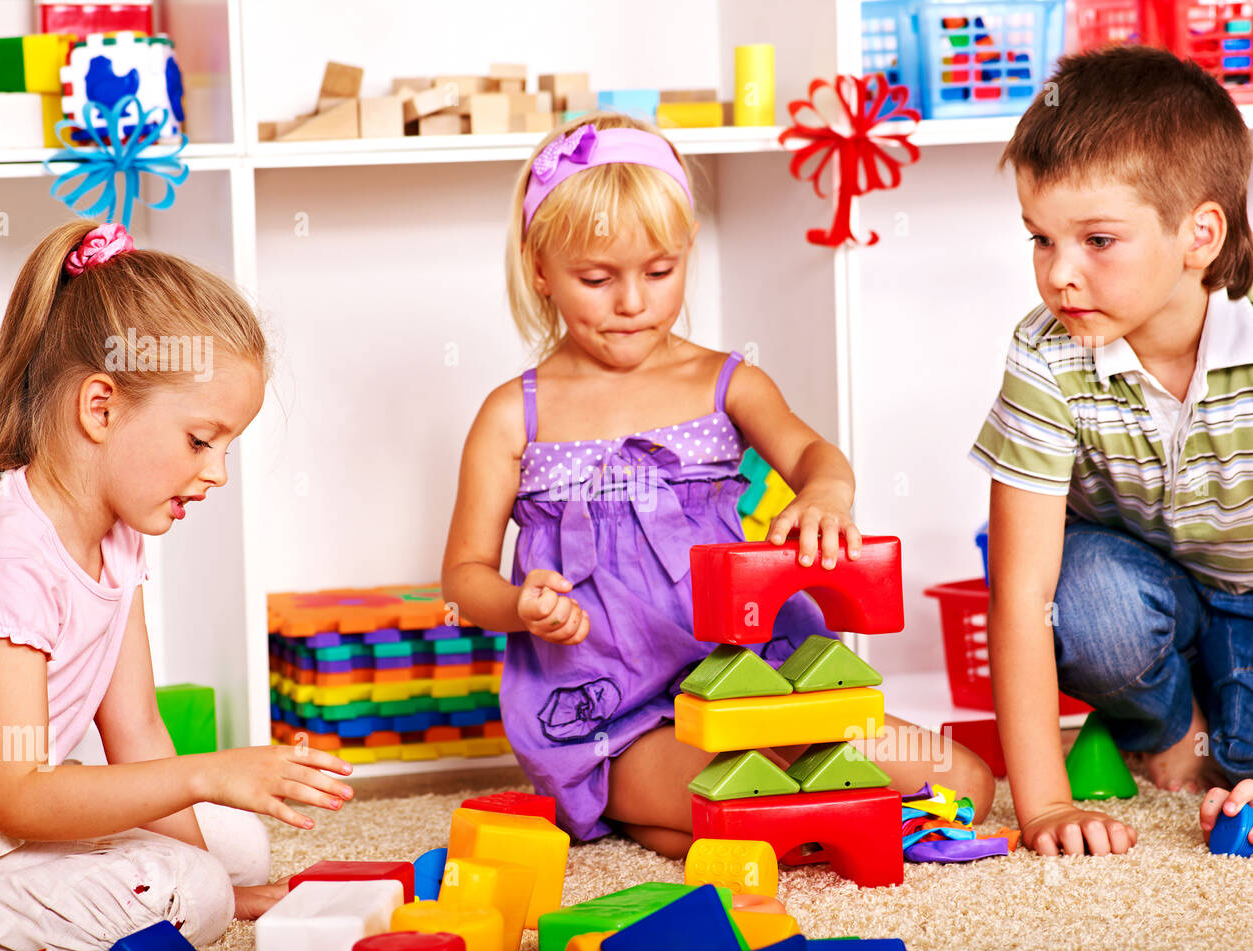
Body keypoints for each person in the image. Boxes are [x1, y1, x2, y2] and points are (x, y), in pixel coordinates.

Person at [443, 113, 994, 856]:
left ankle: (693, 820)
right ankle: (651, 808)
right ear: (539, 267)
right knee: (756, 799)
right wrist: (519, 604)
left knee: (960, 782)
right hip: (619, 717)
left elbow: (814, 456)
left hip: (760, 682)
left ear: (688, 253)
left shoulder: (724, 382)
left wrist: (825, 495)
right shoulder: (514, 414)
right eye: (597, 278)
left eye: (659, 271)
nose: (632, 301)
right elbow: (462, 576)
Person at [0, 221, 352, 951]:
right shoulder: (6, 549)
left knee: (238, 848)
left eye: (228, 448)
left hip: (7, 817)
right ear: (100, 407)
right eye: (202, 440)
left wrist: (219, 853)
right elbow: (13, 794)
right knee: (188, 888)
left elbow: (135, 731)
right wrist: (210, 775)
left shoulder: (120, 535)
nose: (217, 474)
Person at [972, 46, 1253, 856]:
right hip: (1139, 596)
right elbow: (1023, 592)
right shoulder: (1047, 352)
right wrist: (1044, 806)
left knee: (1237, 764)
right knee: (1085, 596)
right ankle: (1169, 724)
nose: (1059, 274)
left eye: (1098, 240)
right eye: (1039, 238)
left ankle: (1217, 737)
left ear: (1201, 234)